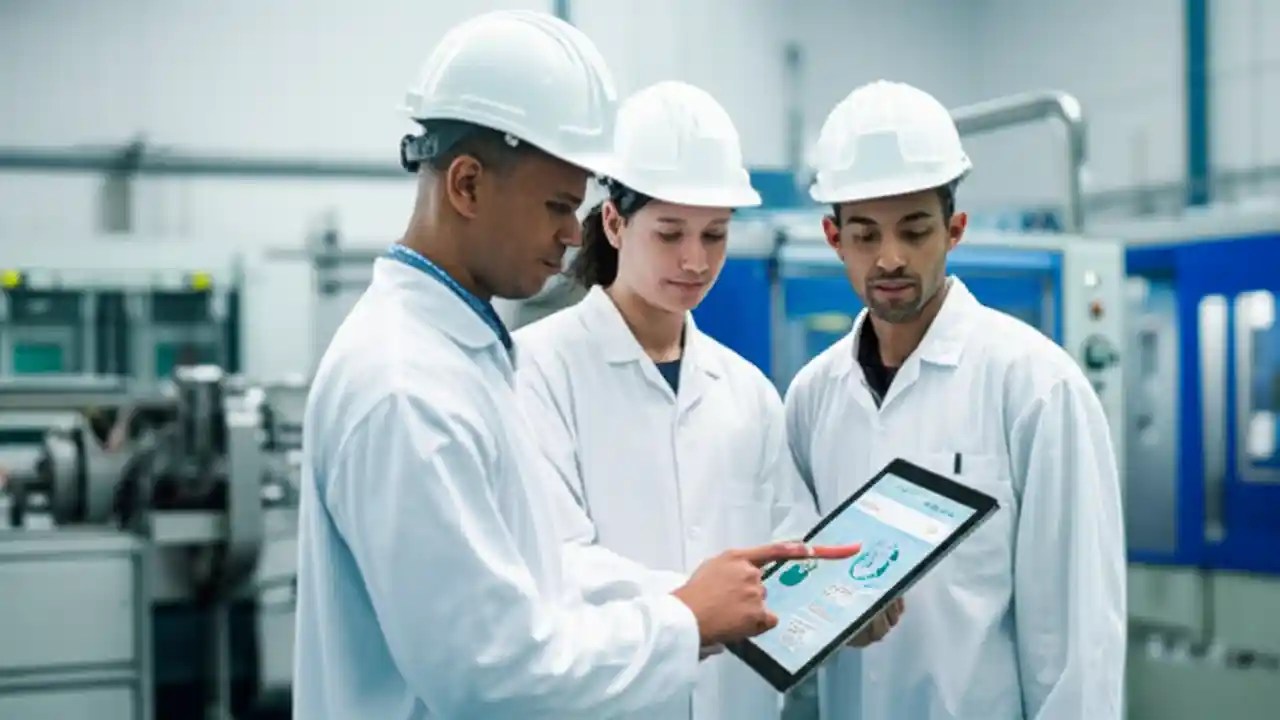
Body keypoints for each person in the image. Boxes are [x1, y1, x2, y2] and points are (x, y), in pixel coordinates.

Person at [292, 11, 858, 720]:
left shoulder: (461, 361)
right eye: (560, 205)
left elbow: (530, 598)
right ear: (466, 185)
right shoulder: (410, 390)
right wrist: (687, 616)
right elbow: (491, 672)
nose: (571, 233)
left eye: (714, 234)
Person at [513, 80, 902, 720]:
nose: (695, 260)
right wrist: (694, 605)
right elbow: (554, 562)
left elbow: (788, 544)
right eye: (670, 234)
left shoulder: (745, 391)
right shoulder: (539, 372)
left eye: (714, 235)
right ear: (613, 223)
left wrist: (841, 607)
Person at [784, 79, 1127, 719]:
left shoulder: (1034, 386)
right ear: (834, 239)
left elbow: (1080, 643)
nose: (890, 258)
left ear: (955, 230)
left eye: (914, 231)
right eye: (865, 235)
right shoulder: (812, 397)